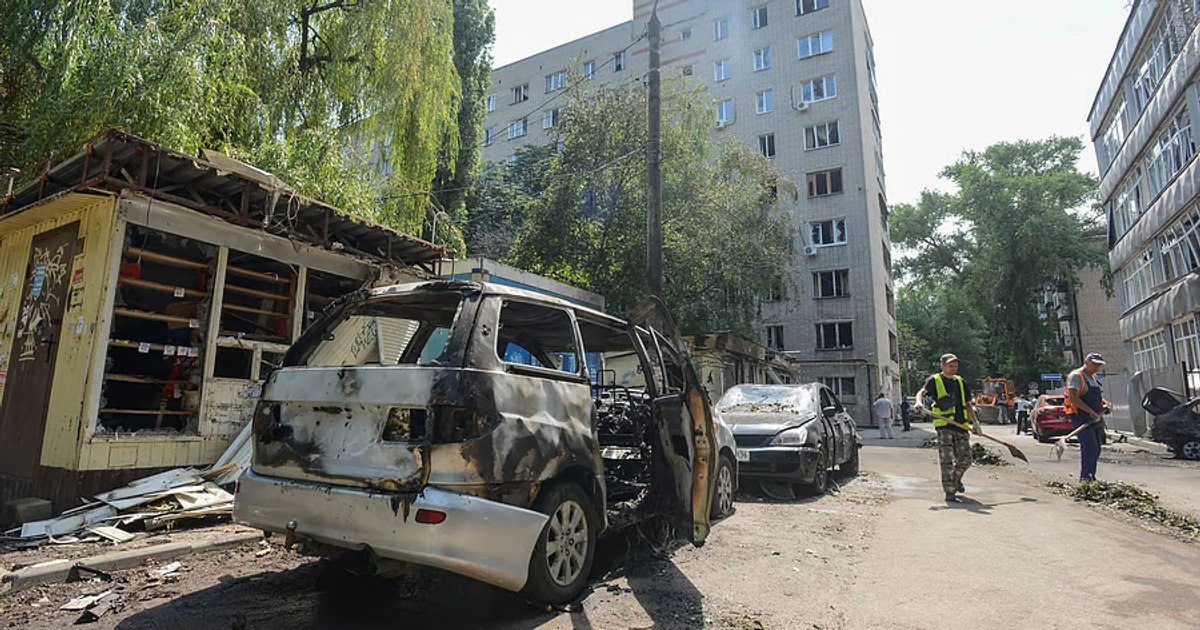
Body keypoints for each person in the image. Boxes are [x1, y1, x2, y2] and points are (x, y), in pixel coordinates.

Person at [913, 353, 981, 503]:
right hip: (944, 427)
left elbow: (968, 404)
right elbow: (921, 393)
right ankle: (950, 492)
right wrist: (919, 402)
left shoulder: (961, 382)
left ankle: (955, 479)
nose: (953, 368)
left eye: (955, 365)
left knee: (966, 459)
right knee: (947, 460)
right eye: (950, 365)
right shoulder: (934, 380)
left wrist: (975, 423)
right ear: (942, 365)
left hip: (961, 425)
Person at [1065, 353, 1107, 481]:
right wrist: (1090, 412)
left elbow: (1096, 398)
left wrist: (1104, 405)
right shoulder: (1077, 376)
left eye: (1098, 365)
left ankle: (1090, 476)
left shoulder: (1093, 378)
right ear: (1086, 362)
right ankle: (1085, 478)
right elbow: (1073, 397)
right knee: (1089, 446)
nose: (1096, 367)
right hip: (1081, 416)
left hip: (1094, 418)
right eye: (1094, 364)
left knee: (1096, 447)